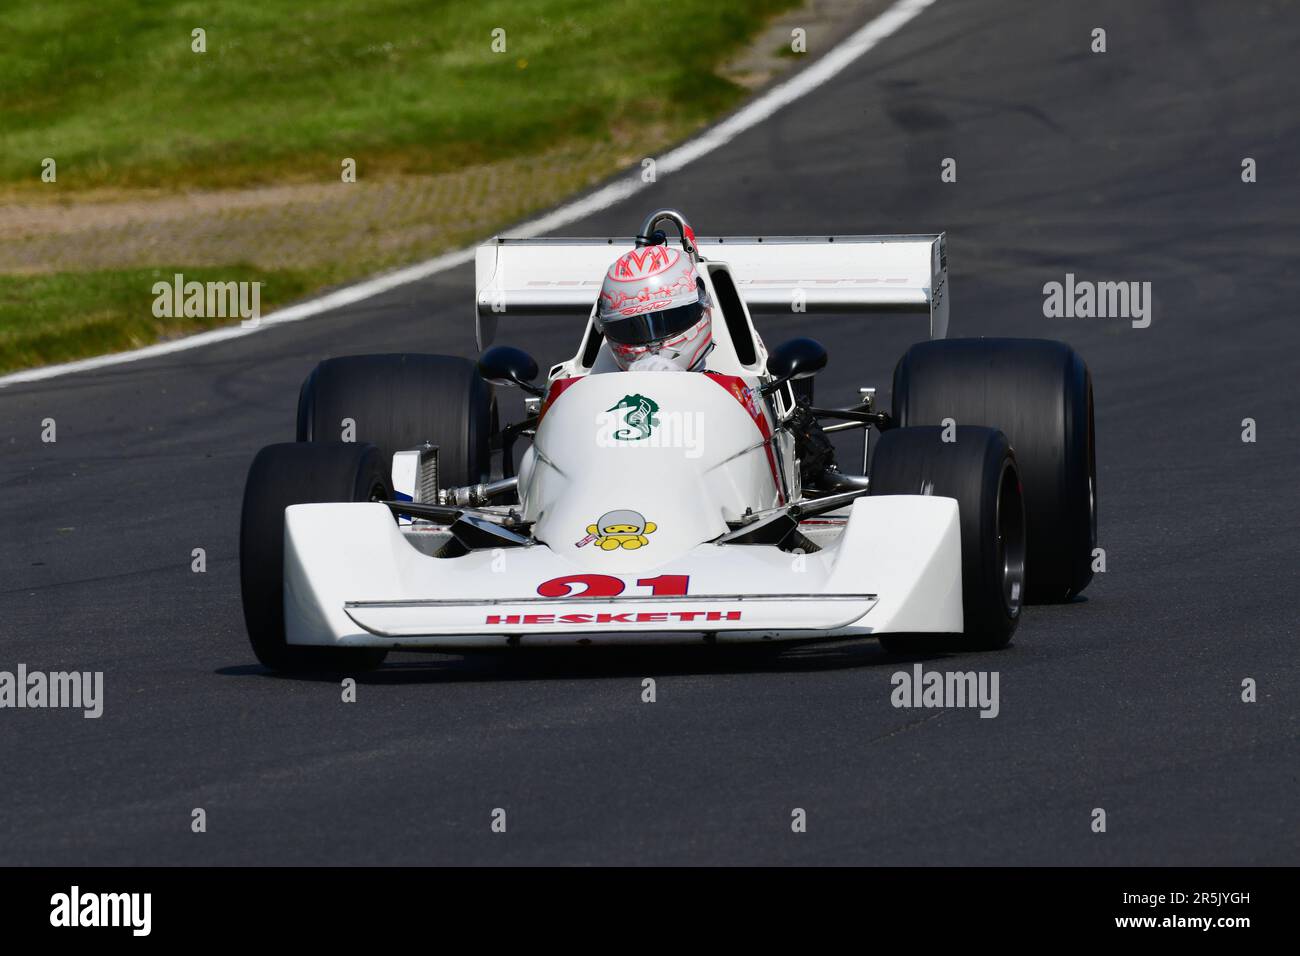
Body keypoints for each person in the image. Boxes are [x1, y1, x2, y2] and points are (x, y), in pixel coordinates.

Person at [594, 244, 846, 491]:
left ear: (699, 308)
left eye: (662, 324)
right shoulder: (590, 403)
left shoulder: (739, 394)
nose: (652, 345)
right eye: (632, 329)